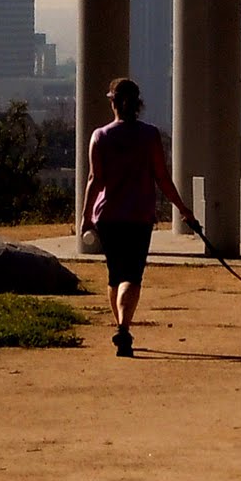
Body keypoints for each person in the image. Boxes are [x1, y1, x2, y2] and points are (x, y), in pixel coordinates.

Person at [78, 76, 199, 357]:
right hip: (138, 216)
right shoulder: (149, 135)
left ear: (113, 103)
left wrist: (85, 216)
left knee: (114, 275)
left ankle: (122, 325)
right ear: (137, 105)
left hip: (107, 216)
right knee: (132, 276)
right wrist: (183, 209)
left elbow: (94, 179)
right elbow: (162, 178)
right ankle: (123, 327)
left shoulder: (100, 136)